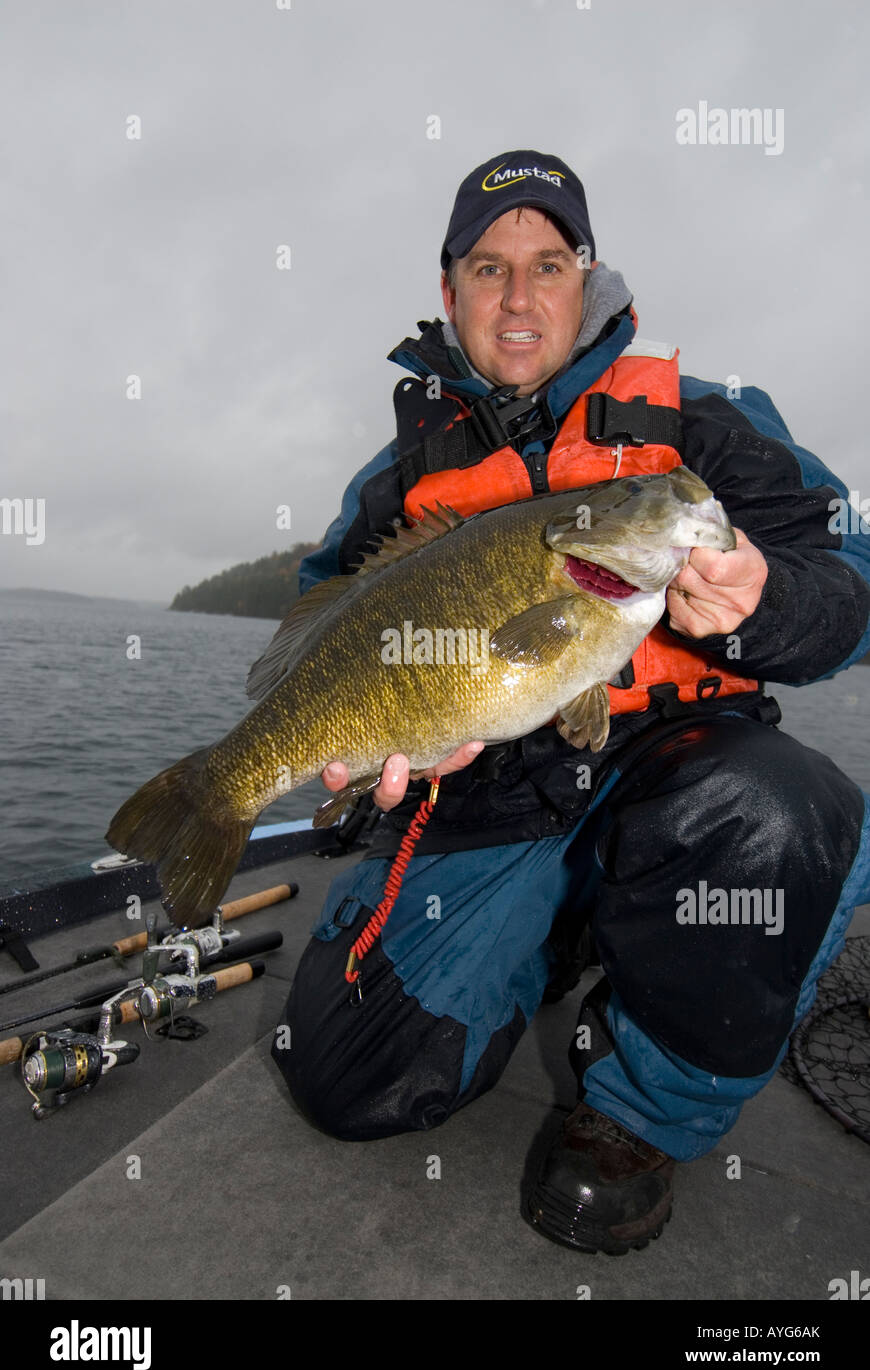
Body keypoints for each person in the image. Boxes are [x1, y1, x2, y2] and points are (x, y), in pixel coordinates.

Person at [271, 150, 870, 1255]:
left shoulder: (704, 423)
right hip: (495, 803)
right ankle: (560, 931)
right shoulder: (394, 483)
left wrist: (771, 601)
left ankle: (639, 1117)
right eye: (488, 268)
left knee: (777, 813)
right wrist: (375, 764)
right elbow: (321, 636)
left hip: (682, 777)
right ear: (449, 287)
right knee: (348, 1078)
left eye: (548, 265)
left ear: (586, 279)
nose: (518, 297)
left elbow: (854, 573)